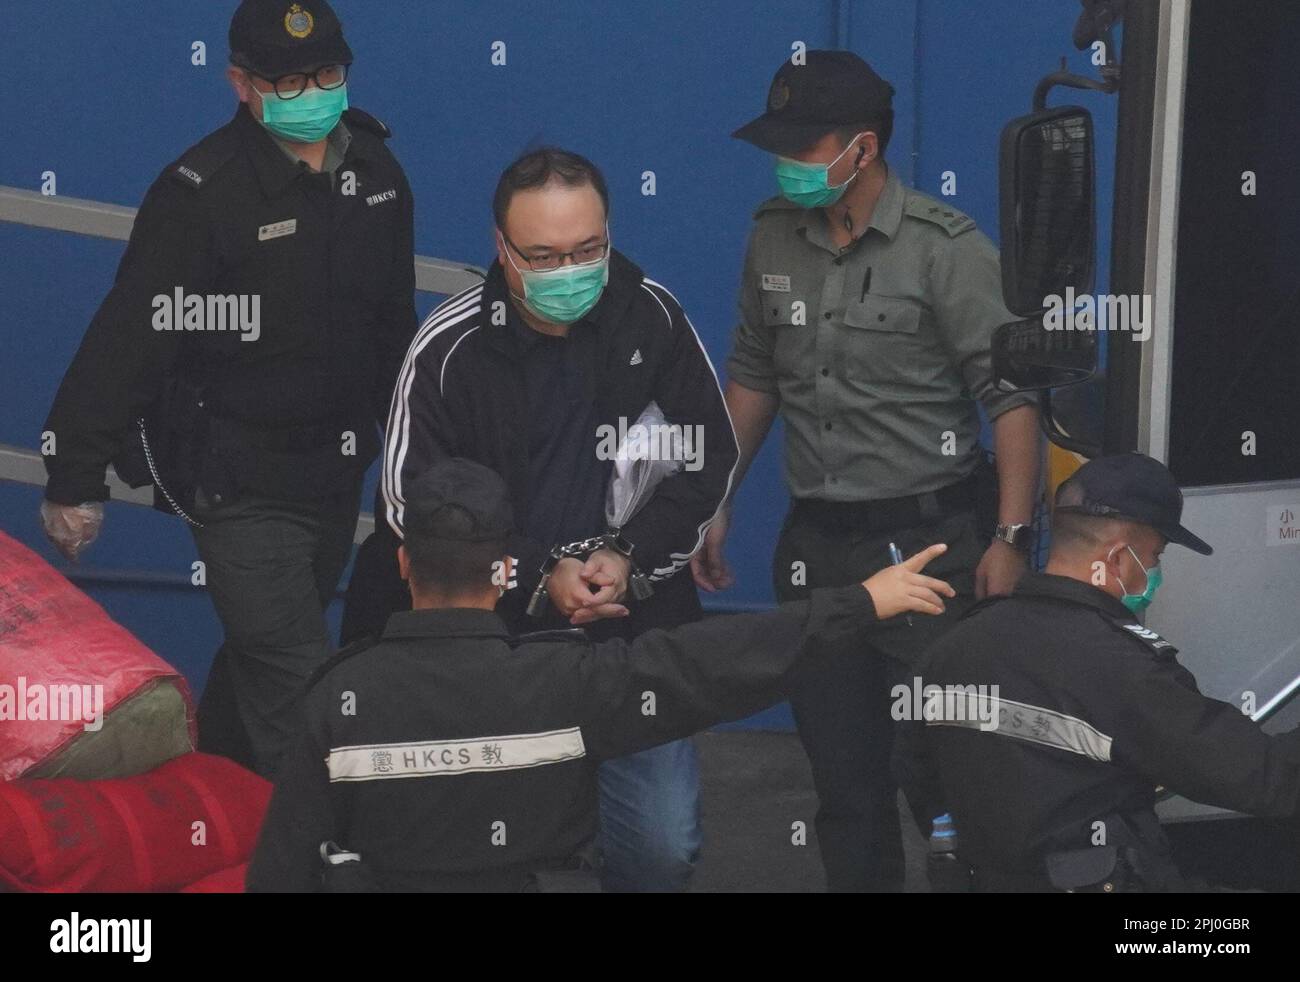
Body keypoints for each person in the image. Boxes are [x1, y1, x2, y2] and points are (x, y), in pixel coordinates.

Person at [247, 457, 956, 892]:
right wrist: (860, 602)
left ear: (402, 565)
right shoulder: (567, 684)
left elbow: (280, 873)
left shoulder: (338, 702)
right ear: (503, 571)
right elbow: (715, 665)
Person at [691, 50, 1041, 891]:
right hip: (821, 554)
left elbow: (1014, 398)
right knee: (845, 785)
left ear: (863, 149)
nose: (787, 163)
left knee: (947, 778)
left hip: (933, 547)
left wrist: (1013, 536)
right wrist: (716, 502)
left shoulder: (945, 251)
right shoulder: (773, 232)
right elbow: (754, 376)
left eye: (804, 145)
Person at [38, 0, 417, 779]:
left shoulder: (378, 171)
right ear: (241, 83)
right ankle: (325, 858)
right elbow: (128, 340)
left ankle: (210, 799)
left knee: (270, 654)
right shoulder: (201, 194)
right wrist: (74, 476)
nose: (312, 90)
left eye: (327, 73)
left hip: (335, 473)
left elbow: (392, 326)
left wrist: (419, 450)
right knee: (302, 683)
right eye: (287, 79)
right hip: (237, 482)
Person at [351, 147, 739, 892]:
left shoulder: (652, 317)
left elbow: (705, 459)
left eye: (588, 249)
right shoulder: (449, 347)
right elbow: (409, 503)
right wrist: (535, 575)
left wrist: (628, 554)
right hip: (489, 644)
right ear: (502, 250)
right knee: (477, 853)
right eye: (545, 255)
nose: (570, 271)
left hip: (628, 634)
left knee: (662, 852)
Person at [907, 452, 1300, 891]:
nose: (1154, 572)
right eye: (1155, 556)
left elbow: (918, 777)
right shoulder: (1123, 667)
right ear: (1117, 558)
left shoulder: (951, 648)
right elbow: (1262, 777)